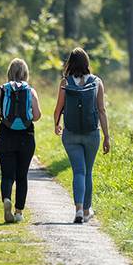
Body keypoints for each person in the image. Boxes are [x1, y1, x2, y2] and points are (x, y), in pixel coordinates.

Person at [53, 46, 111, 223]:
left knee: (78, 171)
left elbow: (58, 109)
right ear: (87, 63)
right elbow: (101, 110)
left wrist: (57, 124)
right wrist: (107, 136)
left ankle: (78, 209)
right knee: (88, 172)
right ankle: (87, 211)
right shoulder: (96, 82)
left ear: (70, 63)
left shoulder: (65, 82)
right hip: (92, 133)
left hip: (70, 134)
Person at [0, 58, 42, 223]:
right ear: (26, 73)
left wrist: (2, 117)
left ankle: (6, 199)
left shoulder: (1, 90)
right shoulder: (30, 91)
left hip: (6, 135)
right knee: (22, 175)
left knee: (7, 175)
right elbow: (37, 115)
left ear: (9, 72)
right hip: (26, 136)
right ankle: (18, 212)